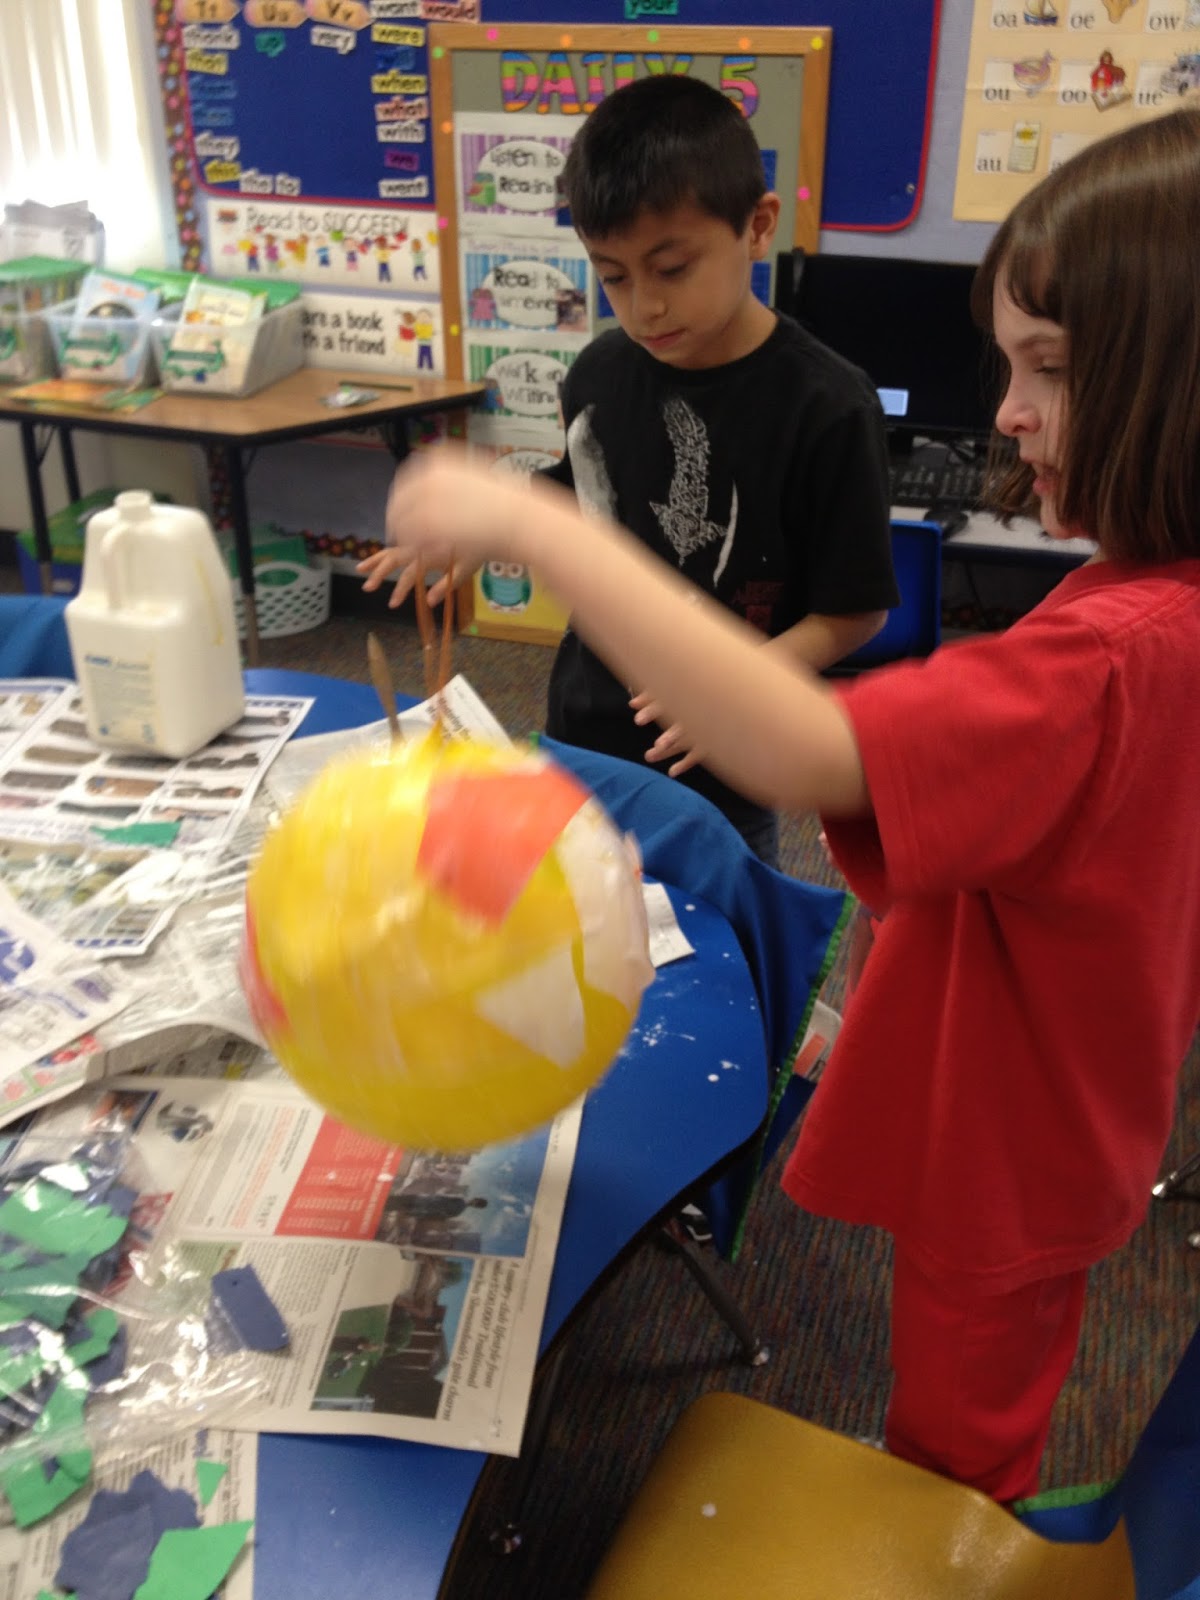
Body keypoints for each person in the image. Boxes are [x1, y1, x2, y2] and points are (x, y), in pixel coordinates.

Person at [366, 108, 1200, 1503]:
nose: (1004, 411)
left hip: (1010, 1147)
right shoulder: (1149, 599)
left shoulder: (1109, 657)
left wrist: (531, 528)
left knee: (948, 1469)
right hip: (1062, 1101)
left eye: (1048, 369)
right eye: (1009, 365)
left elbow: (812, 751)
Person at [360, 74, 897, 865]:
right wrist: (480, 530)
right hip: (584, 732)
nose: (643, 305)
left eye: (671, 268)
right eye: (613, 276)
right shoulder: (602, 372)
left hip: (719, 763)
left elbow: (854, 611)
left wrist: (729, 687)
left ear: (757, 226)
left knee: (719, 951)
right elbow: (585, 492)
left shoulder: (828, 406)